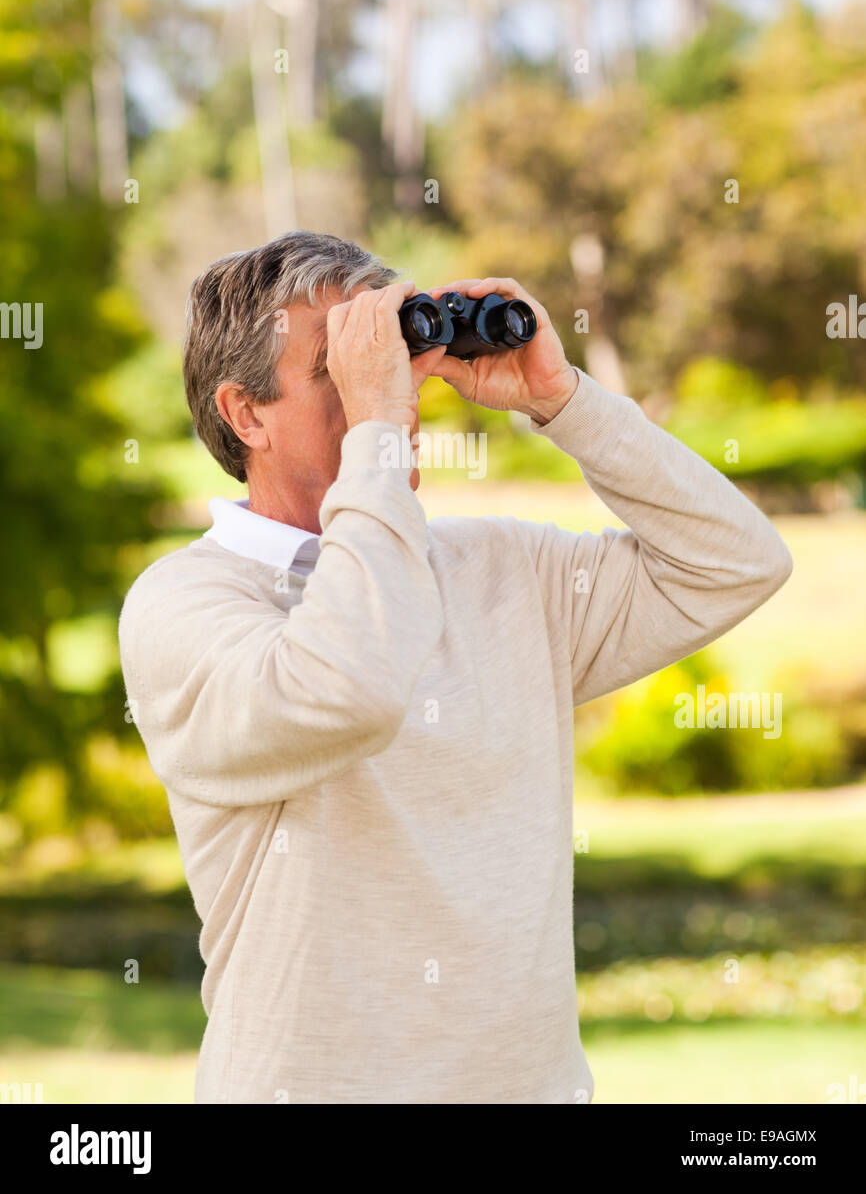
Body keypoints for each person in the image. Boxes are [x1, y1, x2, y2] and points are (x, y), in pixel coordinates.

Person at [118, 230, 792, 1104]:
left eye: (393, 355)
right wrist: (380, 443)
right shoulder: (186, 605)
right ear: (246, 414)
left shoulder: (505, 574)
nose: (393, 392)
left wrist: (564, 400)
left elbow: (737, 562)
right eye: (346, 368)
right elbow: (351, 687)